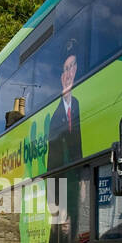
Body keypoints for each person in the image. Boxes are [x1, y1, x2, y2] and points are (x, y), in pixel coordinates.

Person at [46, 38, 83, 170]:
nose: (69, 73)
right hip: (64, 184)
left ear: (77, 68)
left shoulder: (80, 105)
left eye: (72, 66)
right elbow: (52, 168)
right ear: (62, 76)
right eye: (66, 69)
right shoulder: (55, 119)